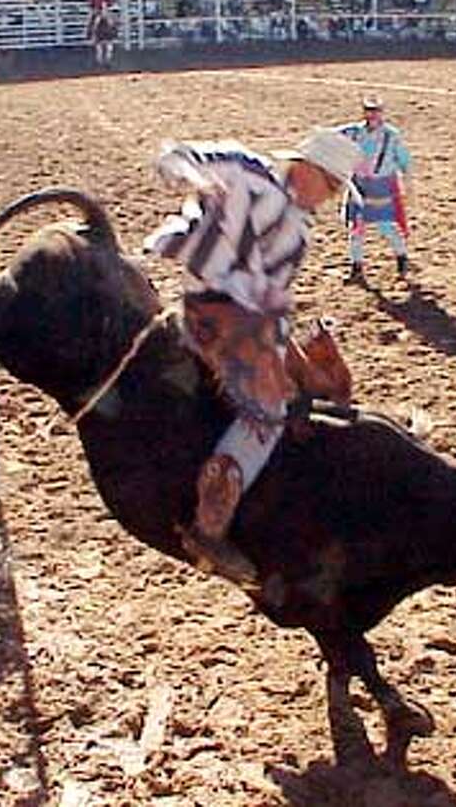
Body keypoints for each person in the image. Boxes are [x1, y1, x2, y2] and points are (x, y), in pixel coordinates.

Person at [144, 129, 362, 582]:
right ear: (307, 171)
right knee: (267, 410)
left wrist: (285, 356)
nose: (330, 197)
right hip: (217, 309)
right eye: (333, 185)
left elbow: (270, 302)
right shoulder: (248, 173)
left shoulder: (283, 215)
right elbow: (173, 155)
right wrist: (191, 176)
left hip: (223, 308)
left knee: (279, 387)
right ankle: (209, 526)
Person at [339, 94, 413, 282]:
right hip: (359, 184)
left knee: (385, 226)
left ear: (381, 113)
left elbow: (404, 160)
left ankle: (402, 257)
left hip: (380, 185)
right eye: (368, 110)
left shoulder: (391, 135)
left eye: (375, 111)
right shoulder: (353, 131)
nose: (371, 115)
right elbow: (331, 136)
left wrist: (408, 182)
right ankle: (356, 267)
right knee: (356, 228)